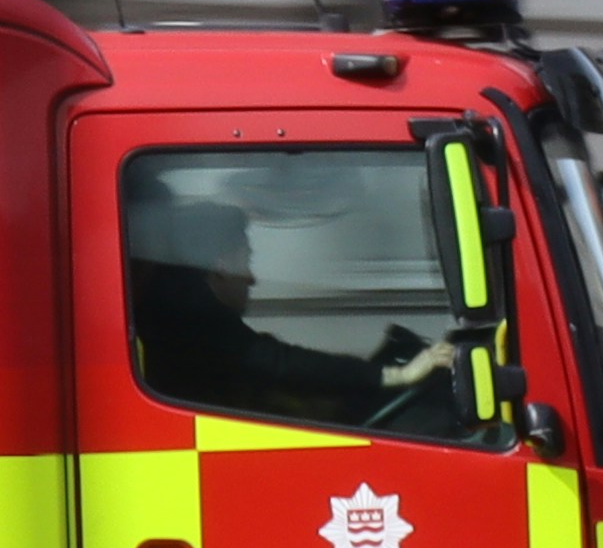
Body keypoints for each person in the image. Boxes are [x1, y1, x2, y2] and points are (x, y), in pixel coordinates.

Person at [125, 181, 430, 431]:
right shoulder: (189, 320)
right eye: (246, 260)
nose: (251, 278)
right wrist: (392, 375)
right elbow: (277, 363)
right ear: (221, 265)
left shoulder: (173, 312)